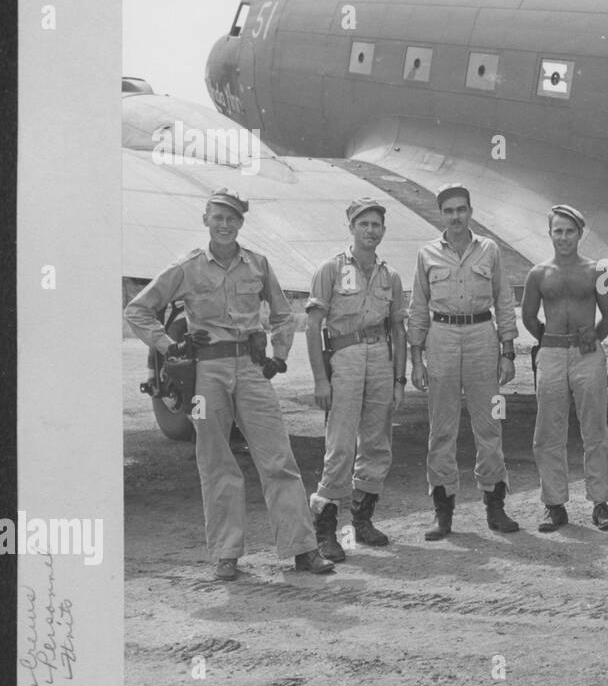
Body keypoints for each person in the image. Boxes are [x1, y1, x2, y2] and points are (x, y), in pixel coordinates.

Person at [123, 188, 334, 579]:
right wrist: (171, 346)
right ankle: (226, 554)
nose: (225, 224)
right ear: (206, 220)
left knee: (277, 457)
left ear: (240, 223)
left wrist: (280, 356)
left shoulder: (257, 264)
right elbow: (137, 310)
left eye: (232, 218)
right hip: (207, 375)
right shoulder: (186, 268)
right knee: (216, 460)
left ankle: (302, 548)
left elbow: (283, 315)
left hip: (252, 370)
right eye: (218, 217)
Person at [408, 184, 519, 539]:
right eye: (449, 211)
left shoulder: (489, 249)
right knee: (442, 428)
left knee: (489, 425)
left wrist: (508, 351)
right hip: (441, 336)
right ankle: (443, 511)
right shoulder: (426, 254)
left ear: (470, 211)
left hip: (480, 335)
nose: (455, 216)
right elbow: (417, 309)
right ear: (441, 215)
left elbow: (504, 300)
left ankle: (494, 505)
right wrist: (416, 360)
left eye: (461, 209)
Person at [304, 198, 408, 560]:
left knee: (377, 442)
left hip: (380, 356)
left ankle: (362, 520)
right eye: (363, 224)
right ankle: (326, 530)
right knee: (341, 444)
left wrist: (399, 380)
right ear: (351, 228)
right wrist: (321, 379)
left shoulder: (389, 276)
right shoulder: (330, 269)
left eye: (376, 224)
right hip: (345, 357)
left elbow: (398, 328)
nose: (370, 230)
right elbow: (313, 325)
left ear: (383, 230)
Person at [521, 205, 608, 532]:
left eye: (570, 231)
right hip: (551, 352)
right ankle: (554, 504)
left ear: (580, 234)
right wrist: (550, 341)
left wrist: (593, 338)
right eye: (558, 231)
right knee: (548, 430)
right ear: (549, 233)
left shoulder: (598, 271)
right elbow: (528, 316)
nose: (564, 237)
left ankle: (602, 504)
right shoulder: (538, 273)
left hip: (587, 354)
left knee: (595, 427)